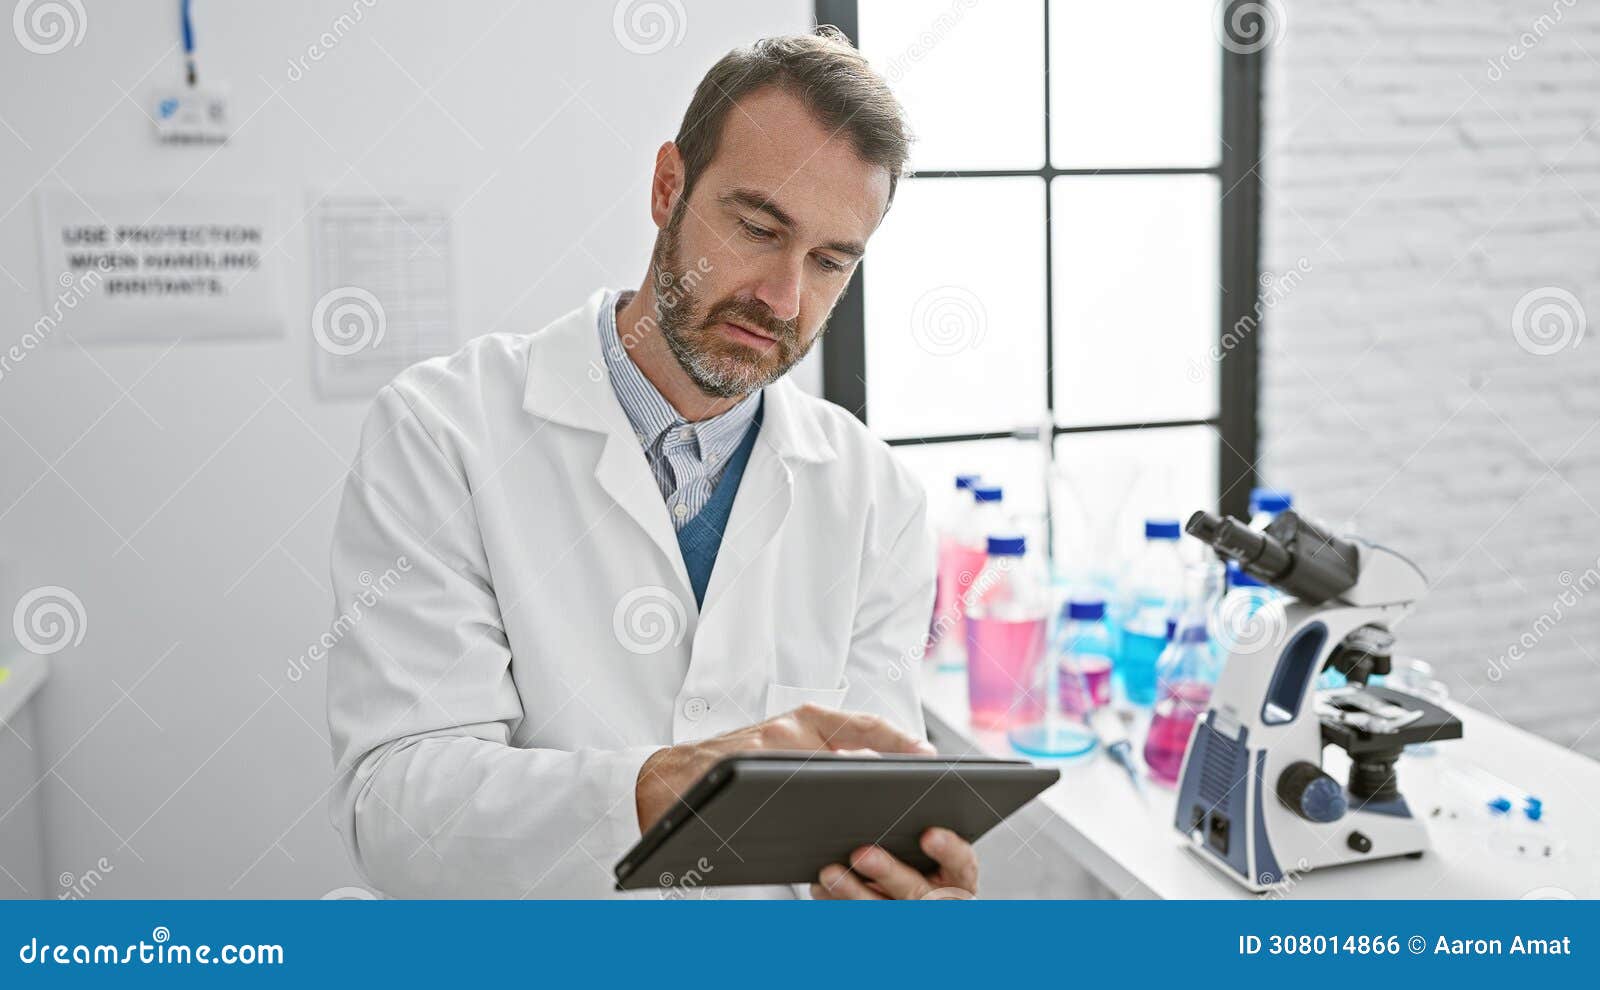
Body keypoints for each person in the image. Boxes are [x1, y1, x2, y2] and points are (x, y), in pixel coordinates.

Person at [325, 28, 978, 900]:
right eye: (758, 228)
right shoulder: (442, 433)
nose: (783, 297)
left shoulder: (876, 497)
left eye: (829, 262)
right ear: (669, 186)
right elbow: (400, 817)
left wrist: (897, 892)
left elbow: (858, 815)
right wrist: (672, 789)